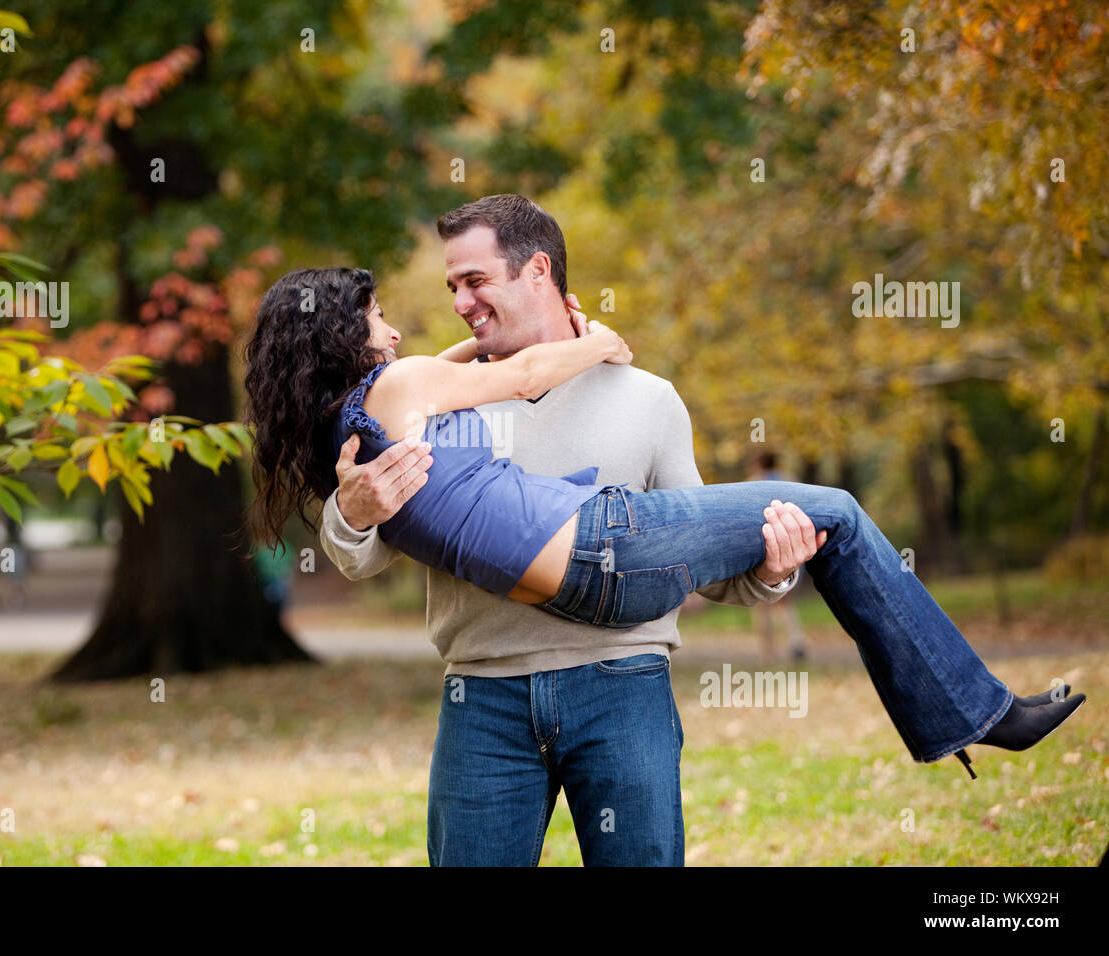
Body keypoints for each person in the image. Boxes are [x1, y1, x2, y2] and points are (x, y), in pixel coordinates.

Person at [243, 196, 1084, 865]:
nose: (449, 307)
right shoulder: (416, 407)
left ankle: (975, 712)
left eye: (473, 282)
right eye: (440, 291)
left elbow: (717, 574)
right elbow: (359, 547)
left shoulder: (632, 399)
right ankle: (974, 712)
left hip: (622, 676)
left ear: (536, 270)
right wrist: (353, 513)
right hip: (490, 691)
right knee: (842, 508)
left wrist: (777, 570)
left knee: (821, 519)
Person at [747, 450, 809, 662]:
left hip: (763, 550)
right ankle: (796, 640)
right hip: (790, 549)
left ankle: (768, 653)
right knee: (785, 602)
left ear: (758, 463)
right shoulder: (790, 481)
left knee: (761, 604)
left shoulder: (753, 483)